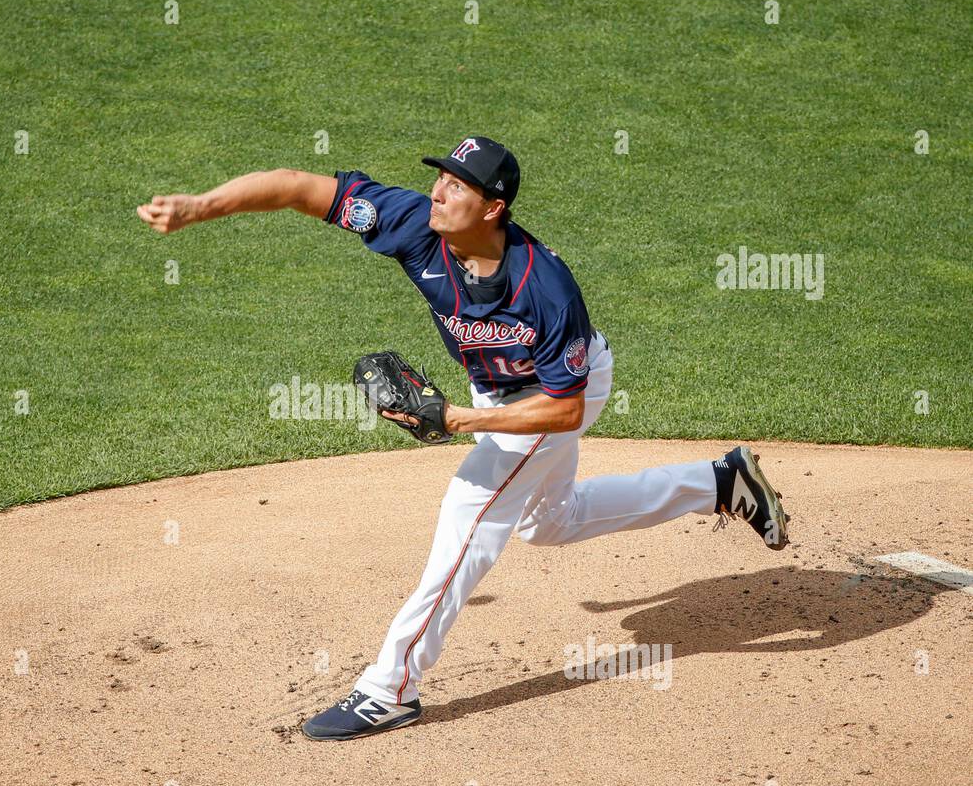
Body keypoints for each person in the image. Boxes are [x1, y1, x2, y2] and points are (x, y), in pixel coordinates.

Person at [137, 136, 790, 741]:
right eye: (441, 179)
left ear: (494, 207)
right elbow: (295, 186)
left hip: (556, 393)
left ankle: (390, 688)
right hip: (499, 392)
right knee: (548, 522)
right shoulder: (412, 223)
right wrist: (202, 206)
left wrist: (455, 421)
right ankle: (720, 482)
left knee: (468, 518)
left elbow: (562, 412)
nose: (439, 194)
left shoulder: (545, 288)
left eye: (457, 186)